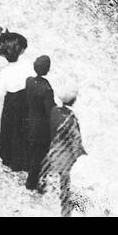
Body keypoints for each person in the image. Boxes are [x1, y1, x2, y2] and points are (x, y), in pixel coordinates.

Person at [40, 84, 87, 215]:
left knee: (60, 177)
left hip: (55, 150)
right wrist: (82, 153)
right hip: (66, 155)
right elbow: (76, 139)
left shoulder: (54, 111)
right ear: (73, 101)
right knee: (67, 181)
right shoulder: (71, 118)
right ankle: (66, 209)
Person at [0, 34, 33, 172]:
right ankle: (25, 159)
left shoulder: (5, 72)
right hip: (24, 99)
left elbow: (1, 92)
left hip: (11, 101)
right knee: (23, 129)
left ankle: (10, 158)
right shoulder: (27, 66)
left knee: (10, 129)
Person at [24, 55, 56, 190]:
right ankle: (31, 182)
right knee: (39, 154)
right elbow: (50, 110)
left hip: (30, 118)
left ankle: (28, 168)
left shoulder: (29, 81)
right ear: (47, 70)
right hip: (41, 125)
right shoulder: (47, 89)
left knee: (32, 148)